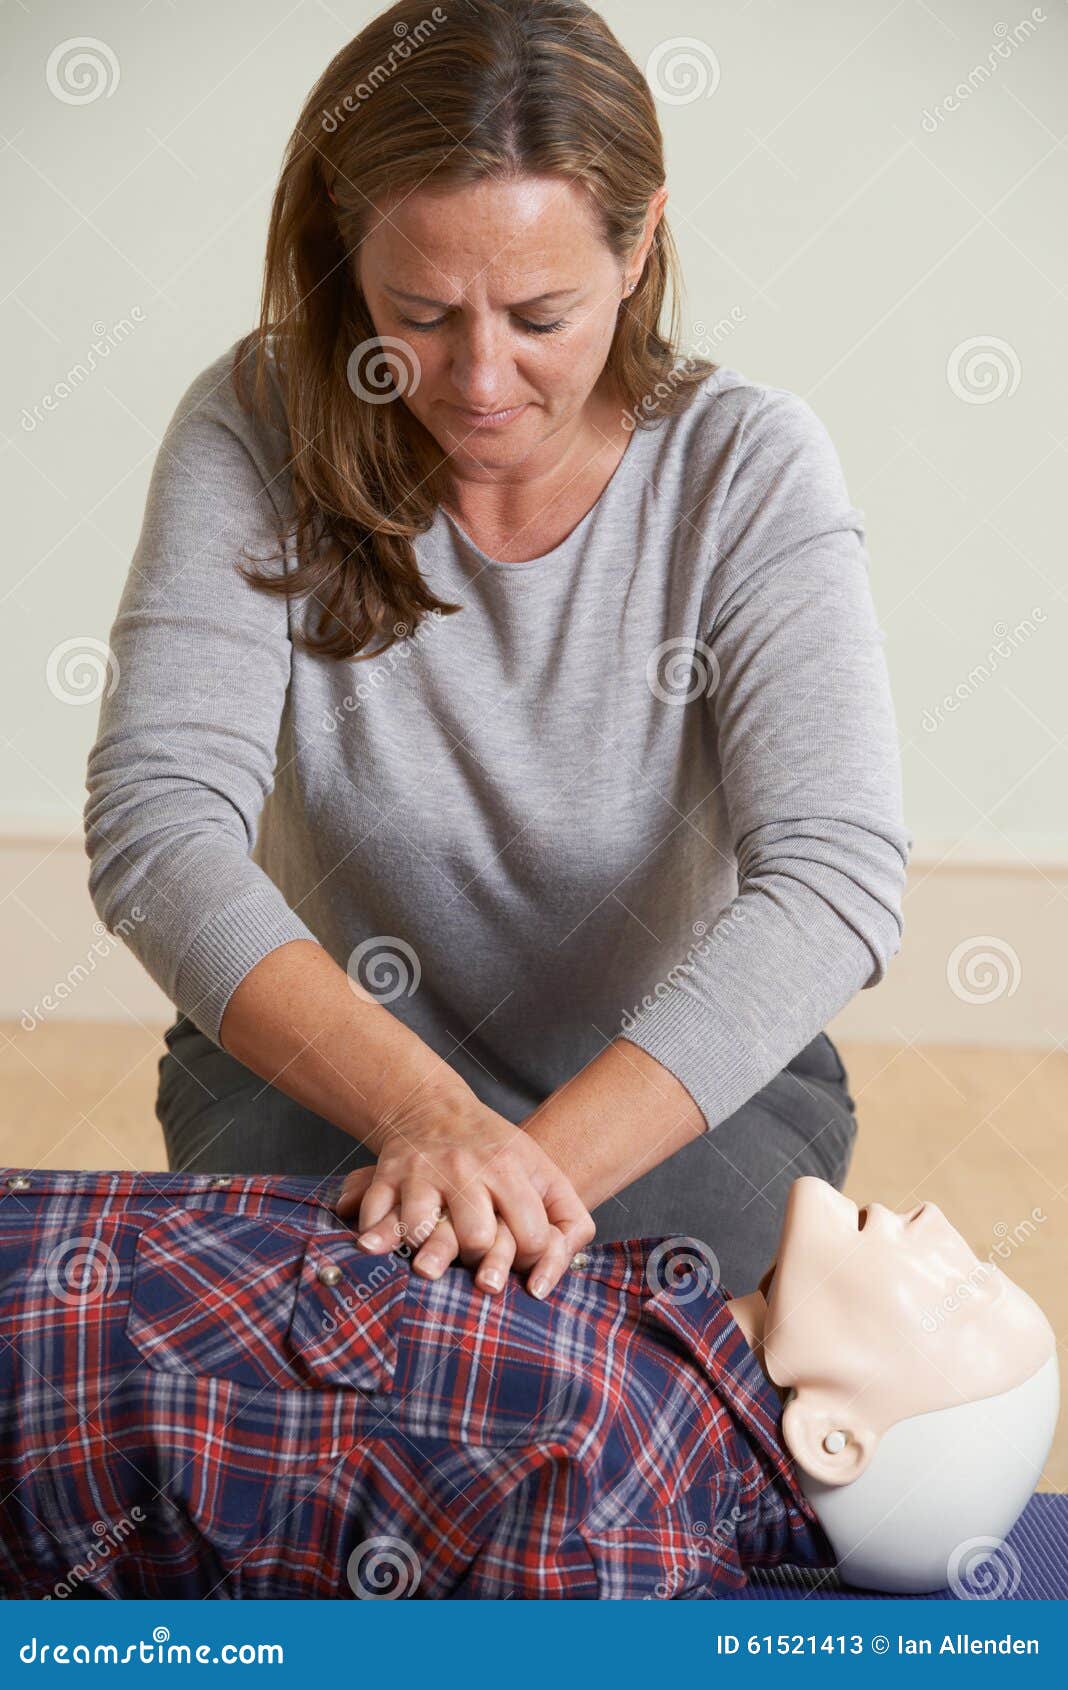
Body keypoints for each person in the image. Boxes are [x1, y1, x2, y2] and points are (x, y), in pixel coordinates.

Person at [83, 0, 908, 1301]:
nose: (477, 378)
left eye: (540, 315)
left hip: (671, 1092)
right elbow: (158, 825)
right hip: (330, 1077)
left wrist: (509, 1175)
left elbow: (836, 876)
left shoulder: (748, 464)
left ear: (640, 246)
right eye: (420, 311)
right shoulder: (251, 422)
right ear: (346, 256)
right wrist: (426, 1114)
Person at [0, 1170, 1052, 1600]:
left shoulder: (622, 1515)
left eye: (957, 1288)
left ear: (833, 1437)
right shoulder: (661, 1329)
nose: (937, 1226)